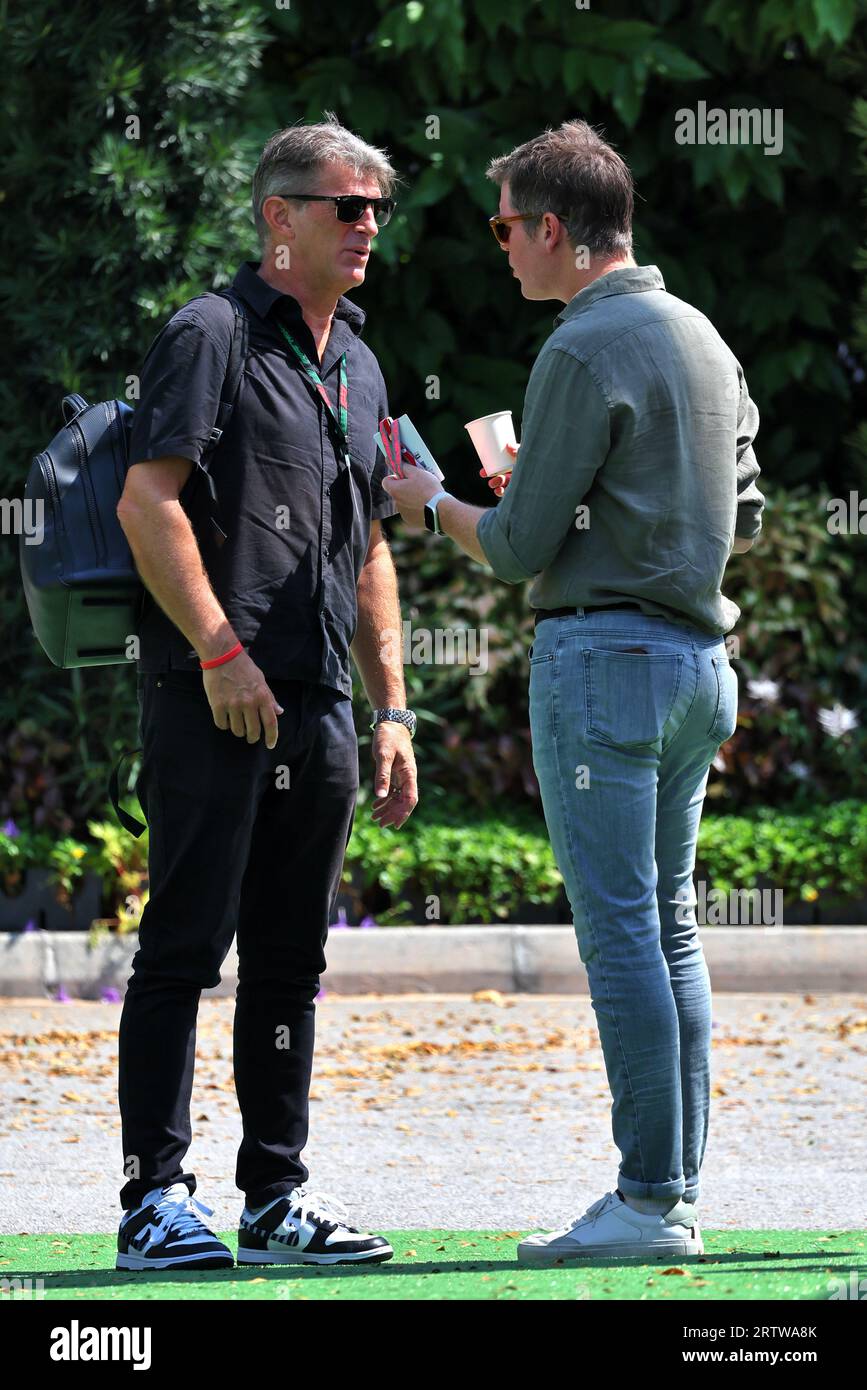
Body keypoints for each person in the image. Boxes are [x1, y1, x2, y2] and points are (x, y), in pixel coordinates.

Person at [382, 118, 764, 1265]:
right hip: (700, 666)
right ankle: (672, 1191)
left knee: (624, 939)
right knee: (672, 930)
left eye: (505, 227)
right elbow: (740, 514)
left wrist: (427, 502)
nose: (500, 248)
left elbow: (513, 547)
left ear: (555, 228)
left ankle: (649, 1201)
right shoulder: (700, 335)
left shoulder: (584, 349)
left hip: (604, 667)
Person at [113, 114, 419, 1270]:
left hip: (323, 702)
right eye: (348, 206)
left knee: (291, 958)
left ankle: (274, 1197)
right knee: (184, 944)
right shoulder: (211, 333)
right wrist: (217, 650)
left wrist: (389, 706)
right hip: (215, 688)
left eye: (377, 210)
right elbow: (153, 501)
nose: (368, 228)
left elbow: (374, 543)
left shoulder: (359, 361)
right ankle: (154, 1197)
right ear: (278, 215)